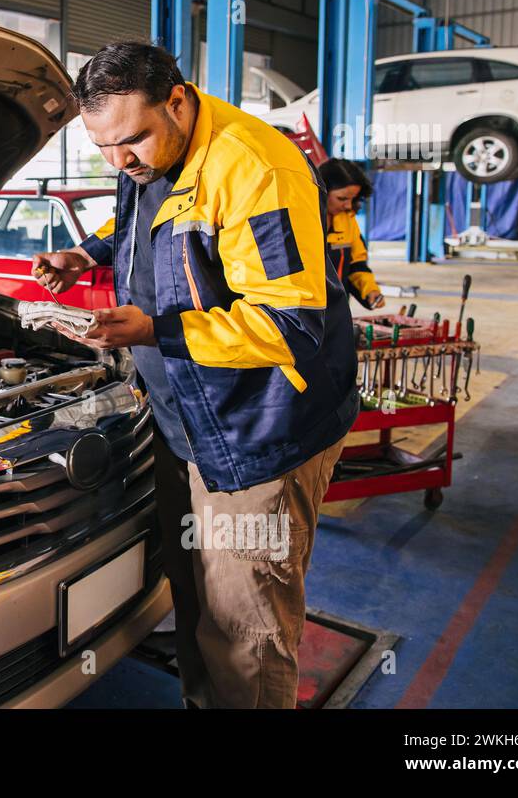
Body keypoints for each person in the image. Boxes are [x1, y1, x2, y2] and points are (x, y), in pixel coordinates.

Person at [32, 42, 358, 709]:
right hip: (181, 419)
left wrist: (156, 330)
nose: (119, 162)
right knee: (193, 592)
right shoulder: (149, 153)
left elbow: (290, 326)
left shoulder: (255, 166)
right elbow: (144, 218)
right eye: (102, 148)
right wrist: (86, 253)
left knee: (245, 622)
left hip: (259, 430)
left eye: (130, 142)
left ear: (177, 101)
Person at [320, 158, 385, 310]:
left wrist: (370, 291)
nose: (348, 205)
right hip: (306, 312)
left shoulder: (347, 220)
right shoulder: (301, 220)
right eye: (342, 198)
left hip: (337, 310)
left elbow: (356, 264)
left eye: (352, 199)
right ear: (322, 192)